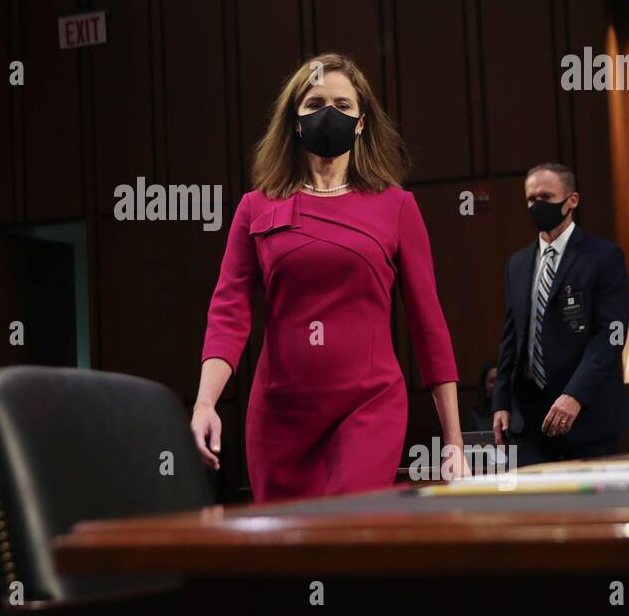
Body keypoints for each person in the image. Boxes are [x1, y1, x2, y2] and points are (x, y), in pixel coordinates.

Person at [191, 53, 465, 502]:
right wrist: (205, 403)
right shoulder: (254, 207)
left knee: (346, 534)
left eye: (342, 104)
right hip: (279, 414)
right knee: (287, 553)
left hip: (367, 407)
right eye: (316, 102)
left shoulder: (396, 206)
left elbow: (428, 324)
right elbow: (229, 312)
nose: (329, 114)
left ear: (361, 122)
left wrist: (452, 438)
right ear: (295, 119)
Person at [492, 164, 629, 466]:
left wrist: (575, 395)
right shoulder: (517, 264)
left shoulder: (602, 256)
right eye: (531, 199)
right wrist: (501, 403)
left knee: (591, 511)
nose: (537, 206)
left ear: (572, 200)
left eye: (546, 196)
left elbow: (610, 336)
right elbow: (511, 340)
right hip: (529, 422)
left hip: (587, 415)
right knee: (536, 510)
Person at [463, 362, 497, 431]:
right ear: (485, 386)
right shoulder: (474, 416)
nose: (497, 385)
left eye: (500, 380)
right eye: (492, 381)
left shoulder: (517, 415)